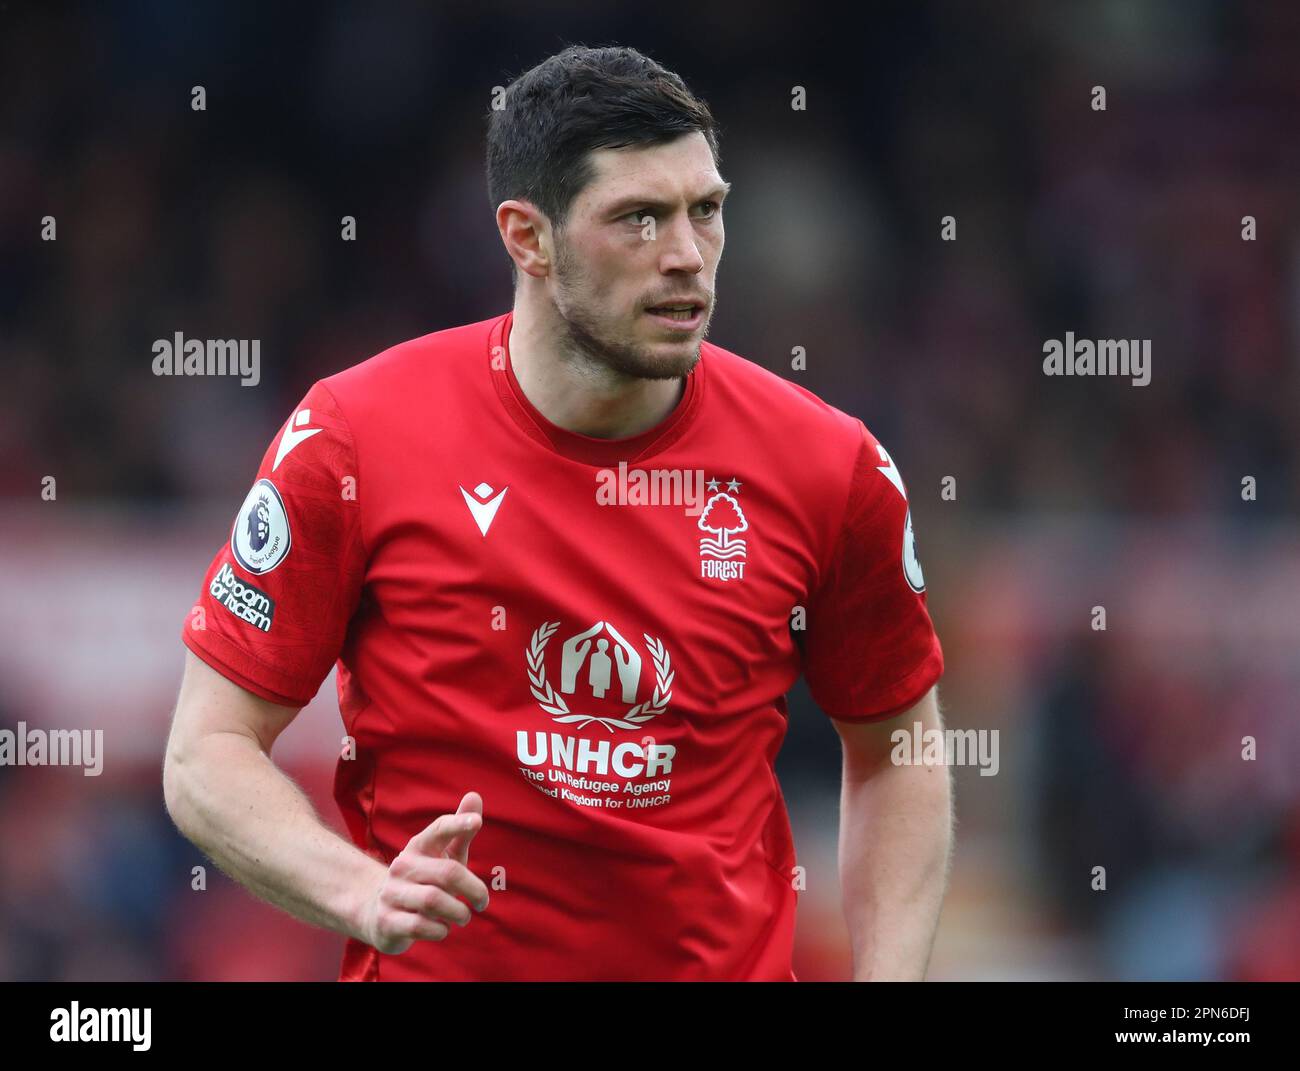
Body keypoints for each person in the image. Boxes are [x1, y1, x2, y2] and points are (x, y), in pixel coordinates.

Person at [163, 44, 950, 982]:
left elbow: (898, 748)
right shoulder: (355, 438)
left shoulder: (829, 465)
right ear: (526, 238)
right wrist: (359, 890)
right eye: (638, 219)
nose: (688, 256)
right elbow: (206, 750)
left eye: (707, 209)